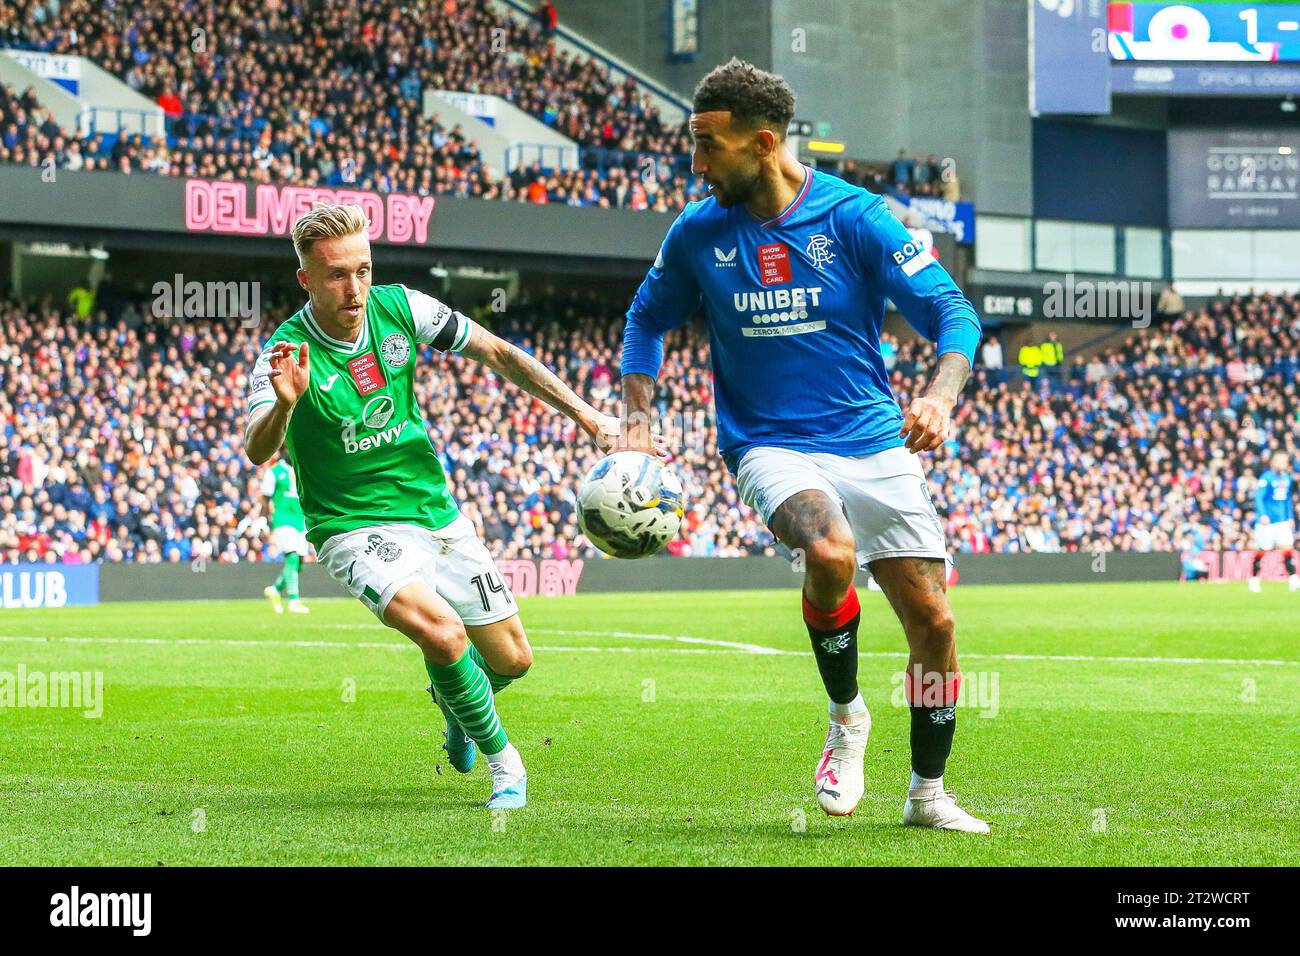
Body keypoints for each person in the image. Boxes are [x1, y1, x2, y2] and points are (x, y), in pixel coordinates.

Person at [618, 59, 988, 832]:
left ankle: (927, 794)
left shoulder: (859, 218)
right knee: (828, 552)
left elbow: (952, 311)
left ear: (762, 143)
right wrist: (637, 420)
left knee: (936, 626)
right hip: (769, 443)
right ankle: (847, 717)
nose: (696, 163)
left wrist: (939, 396)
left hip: (874, 440)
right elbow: (646, 320)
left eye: (708, 146)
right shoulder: (697, 232)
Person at [244, 202, 632, 810]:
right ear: (306, 280)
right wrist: (285, 405)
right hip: (351, 525)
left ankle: (455, 706)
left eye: (363, 270)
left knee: (512, 660)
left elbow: (499, 352)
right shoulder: (286, 352)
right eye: (337, 275)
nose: (354, 288)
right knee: (446, 638)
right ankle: (508, 766)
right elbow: (255, 450)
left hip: (432, 508)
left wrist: (586, 415)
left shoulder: (400, 307)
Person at [261, 452, 311, 614]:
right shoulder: (273, 471)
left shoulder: (301, 469)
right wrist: (263, 522)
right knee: (292, 558)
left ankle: (275, 589)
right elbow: (265, 498)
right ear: (283, 449)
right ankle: (294, 601)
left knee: (300, 563)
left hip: (300, 520)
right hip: (283, 519)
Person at [1247, 450, 1299, 593]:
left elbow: (1288, 500)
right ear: (1273, 463)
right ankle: (1254, 579)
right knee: (1263, 550)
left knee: (1288, 548)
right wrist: (1262, 515)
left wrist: (1290, 517)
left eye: (1284, 461)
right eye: (1280, 461)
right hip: (1267, 523)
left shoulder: (1287, 478)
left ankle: (1293, 579)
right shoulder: (1267, 478)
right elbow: (1259, 497)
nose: (1282, 464)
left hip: (1282, 521)